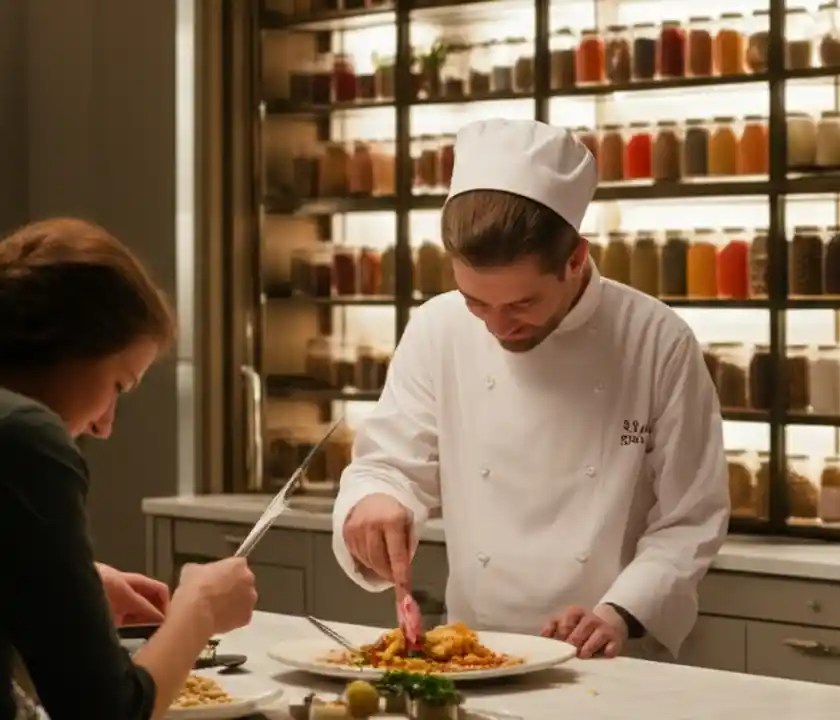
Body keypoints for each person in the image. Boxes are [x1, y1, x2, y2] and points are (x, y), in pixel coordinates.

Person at [334, 119, 729, 660]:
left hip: (608, 657)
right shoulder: (437, 327)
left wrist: (617, 613)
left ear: (575, 259)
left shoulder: (656, 340)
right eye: (476, 301)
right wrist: (375, 500)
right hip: (473, 652)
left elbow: (690, 517)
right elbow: (389, 466)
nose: (497, 326)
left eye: (521, 304)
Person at [0, 218, 259, 719]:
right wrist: (199, 608)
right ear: (70, 346)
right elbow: (107, 712)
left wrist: (68, 576)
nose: (104, 427)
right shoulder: (24, 437)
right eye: (118, 385)